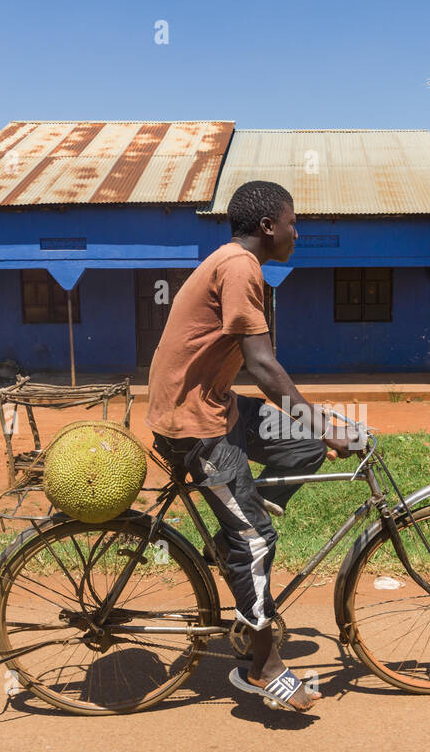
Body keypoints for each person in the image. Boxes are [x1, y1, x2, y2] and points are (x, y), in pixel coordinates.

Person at [145, 180, 357, 713]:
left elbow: (262, 369)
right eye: (291, 221)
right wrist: (327, 421)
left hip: (215, 405)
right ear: (268, 226)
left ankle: (227, 544)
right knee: (258, 539)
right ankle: (262, 668)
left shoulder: (235, 261)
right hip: (195, 425)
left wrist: (315, 425)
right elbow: (263, 365)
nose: (296, 230)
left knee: (302, 444)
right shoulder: (240, 267)